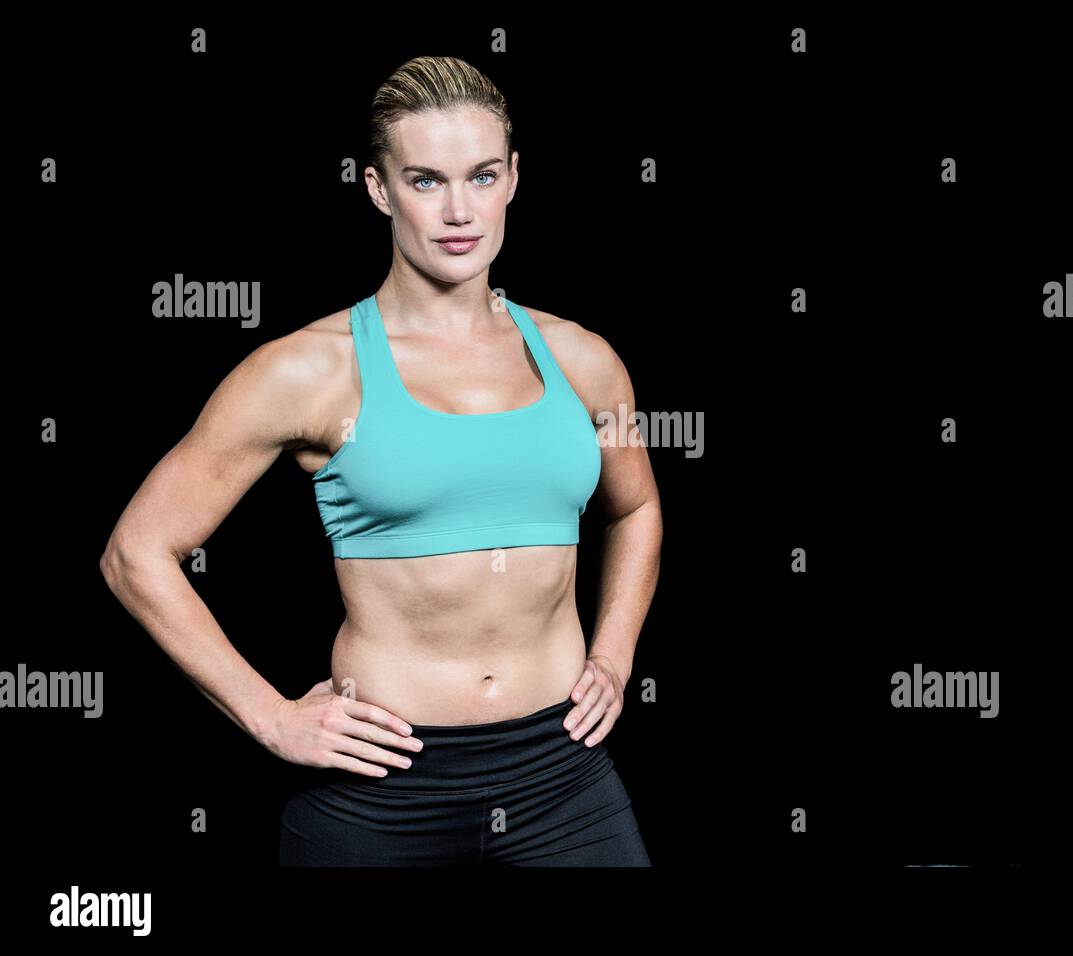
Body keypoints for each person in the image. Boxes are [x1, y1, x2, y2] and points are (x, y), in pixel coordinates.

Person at [99, 55, 659, 866]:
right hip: (383, 790)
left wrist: (613, 655)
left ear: (513, 180)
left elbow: (635, 507)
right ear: (377, 188)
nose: (459, 210)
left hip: (561, 776)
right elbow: (135, 554)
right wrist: (269, 715)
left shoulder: (583, 360)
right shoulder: (310, 369)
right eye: (426, 180)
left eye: (482, 175)